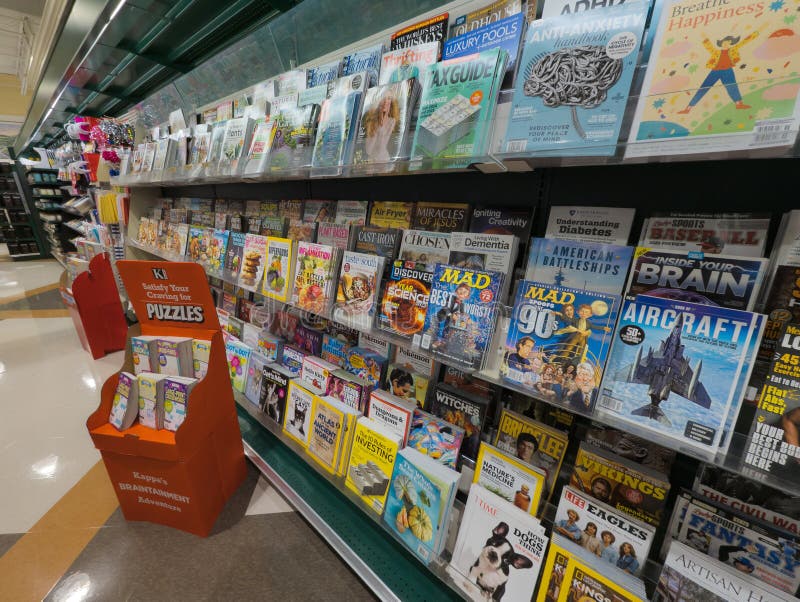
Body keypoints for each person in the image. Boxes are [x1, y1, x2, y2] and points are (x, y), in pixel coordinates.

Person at [677, 28, 763, 114]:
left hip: (727, 71)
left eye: (729, 43)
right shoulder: (716, 52)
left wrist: (758, 31)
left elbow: (744, 41)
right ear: (721, 43)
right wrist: (703, 36)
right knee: (703, 88)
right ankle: (688, 109)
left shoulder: (733, 50)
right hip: (715, 71)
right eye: (725, 42)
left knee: (732, 87)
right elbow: (709, 47)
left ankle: (739, 104)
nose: (727, 44)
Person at [362, 88, 400, 163]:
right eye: (383, 98)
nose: (386, 101)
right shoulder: (370, 120)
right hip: (371, 161)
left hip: (383, 160)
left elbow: (382, 147)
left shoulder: (392, 121)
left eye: (389, 98)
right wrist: (378, 122)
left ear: (391, 102)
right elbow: (369, 150)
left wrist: (382, 123)